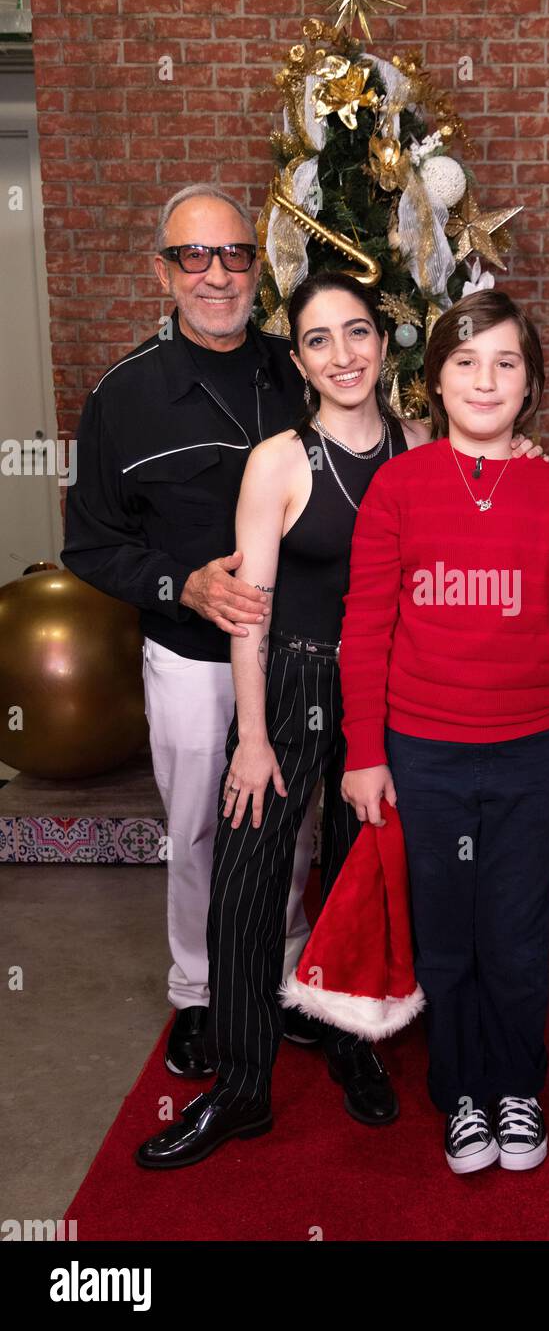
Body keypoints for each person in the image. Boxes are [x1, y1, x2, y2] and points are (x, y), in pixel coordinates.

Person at [134, 273, 546, 1169]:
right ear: (300, 358)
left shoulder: (424, 442)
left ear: (387, 341)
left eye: (358, 333)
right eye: (319, 341)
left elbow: (500, 508)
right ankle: (240, 1088)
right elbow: (250, 608)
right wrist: (250, 735)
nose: (344, 355)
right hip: (287, 684)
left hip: (388, 694)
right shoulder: (279, 459)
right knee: (247, 886)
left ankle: (360, 1045)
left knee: (372, 878)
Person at [339, 289, 549, 1175]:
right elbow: (366, 626)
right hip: (424, 756)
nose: (485, 379)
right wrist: (364, 751)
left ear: (530, 381)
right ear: (435, 380)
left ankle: (516, 1088)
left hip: (533, 756)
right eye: (465, 361)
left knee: (519, 933)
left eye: (505, 362)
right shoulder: (400, 485)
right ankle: (461, 1093)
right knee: (446, 936)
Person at [62, 184, 318, 1081]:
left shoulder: (302, 372)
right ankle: (199, 994)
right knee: (204, 833)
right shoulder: (122, 396)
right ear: (162, 271)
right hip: (192, 657)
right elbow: (90, 544)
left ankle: (285, 978)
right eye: (193, 257)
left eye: (235, 256)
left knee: (290, 826)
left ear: (259, 266)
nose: (217, 276)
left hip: (297, 658)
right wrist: (182, 582)